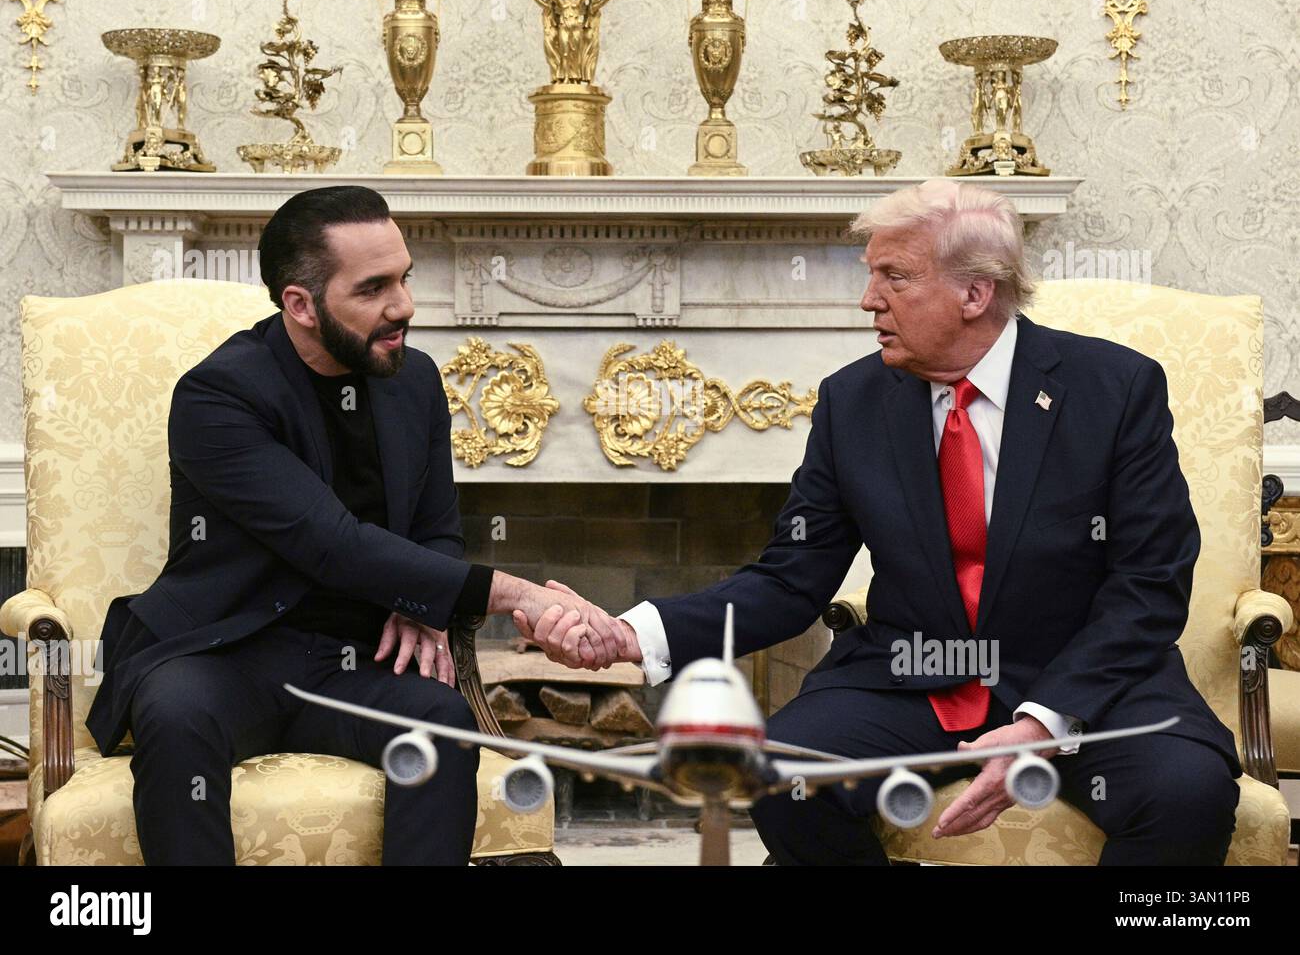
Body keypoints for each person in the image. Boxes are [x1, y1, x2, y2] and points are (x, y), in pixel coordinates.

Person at [516, 178, 1242, 866]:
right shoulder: (853, 402)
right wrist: (630, 633)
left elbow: (1148, 584)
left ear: (974, 293)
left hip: (1085, 677)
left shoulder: (1113, 389)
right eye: (872, 277)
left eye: (894, 277)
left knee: (1186, 795)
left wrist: (1041, 723)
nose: (869, 300)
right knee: (788, 781)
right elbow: (790, 580)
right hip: (914, 673)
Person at [86, 185, 622, 866]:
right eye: (372, 289)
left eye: (403, 279)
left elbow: (435, 529)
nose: (402, 306)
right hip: (223, 651)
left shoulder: (415, 379)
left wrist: (422, 606)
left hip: (355, 663)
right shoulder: (218, 394)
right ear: (301, 305)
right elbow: (333, 544)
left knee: (440, 722)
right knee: (175, 714)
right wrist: (522, 596)